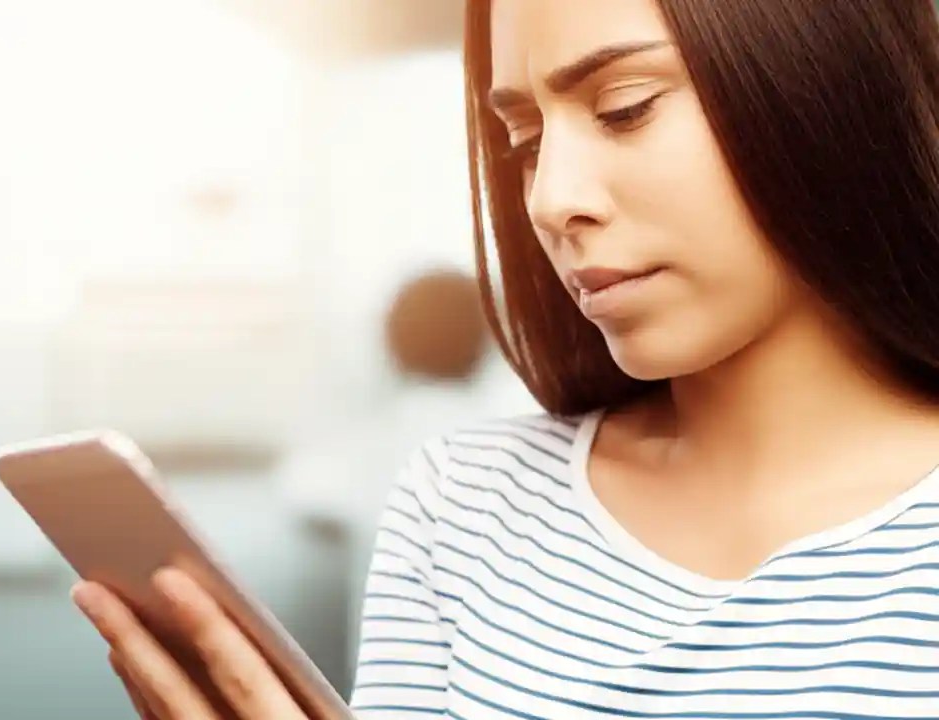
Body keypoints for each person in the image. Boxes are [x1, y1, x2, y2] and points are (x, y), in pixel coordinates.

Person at [71, 0, 939, 716]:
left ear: (829, 78)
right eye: (524, 144)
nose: (551, 199)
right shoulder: (463, 505)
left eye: (624, 106)